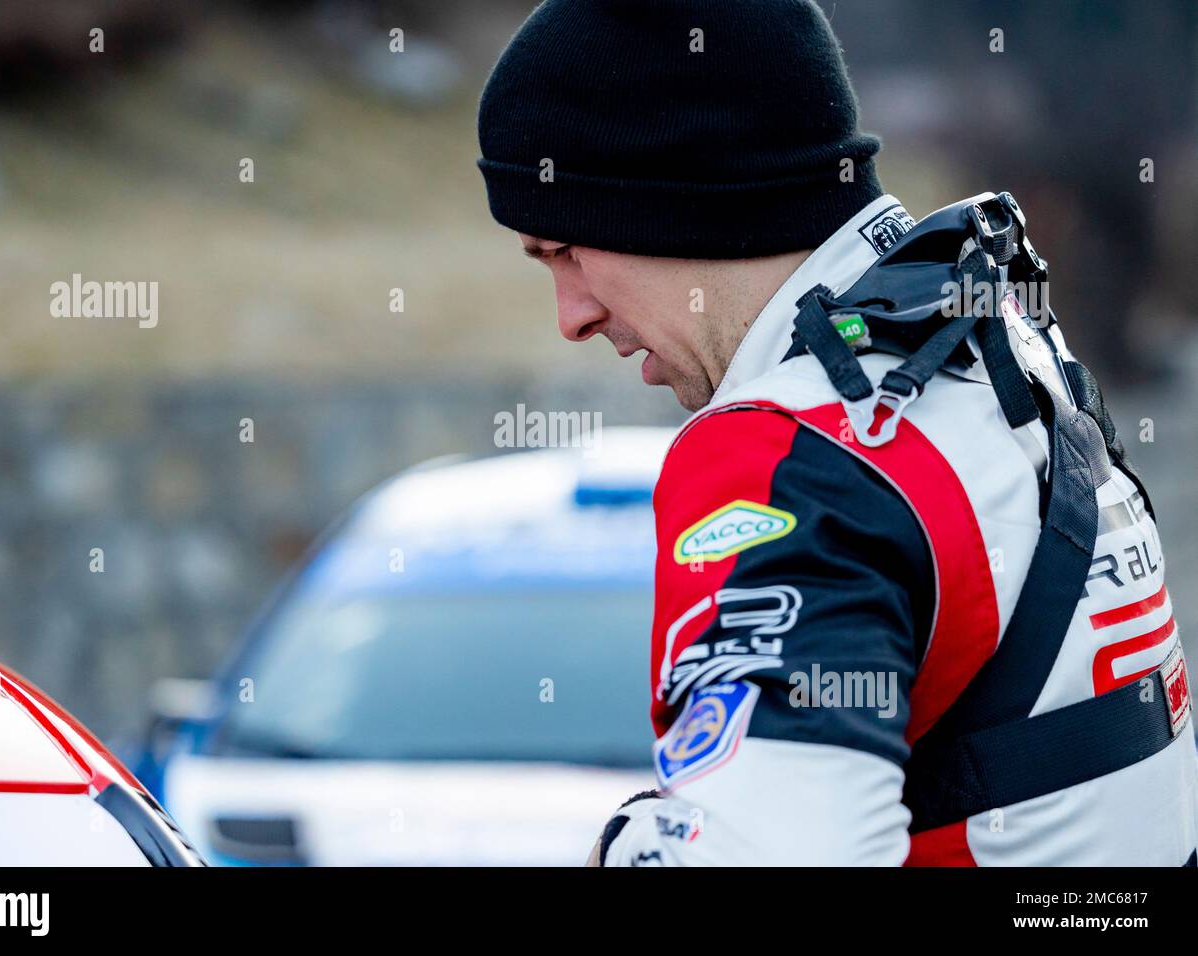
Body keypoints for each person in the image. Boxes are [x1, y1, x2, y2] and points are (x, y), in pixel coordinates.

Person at [477, 0, 1197, 865]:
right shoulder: (993, 335)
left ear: (668, 201)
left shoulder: (790, 459)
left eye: (564, 249)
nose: (572, 316)